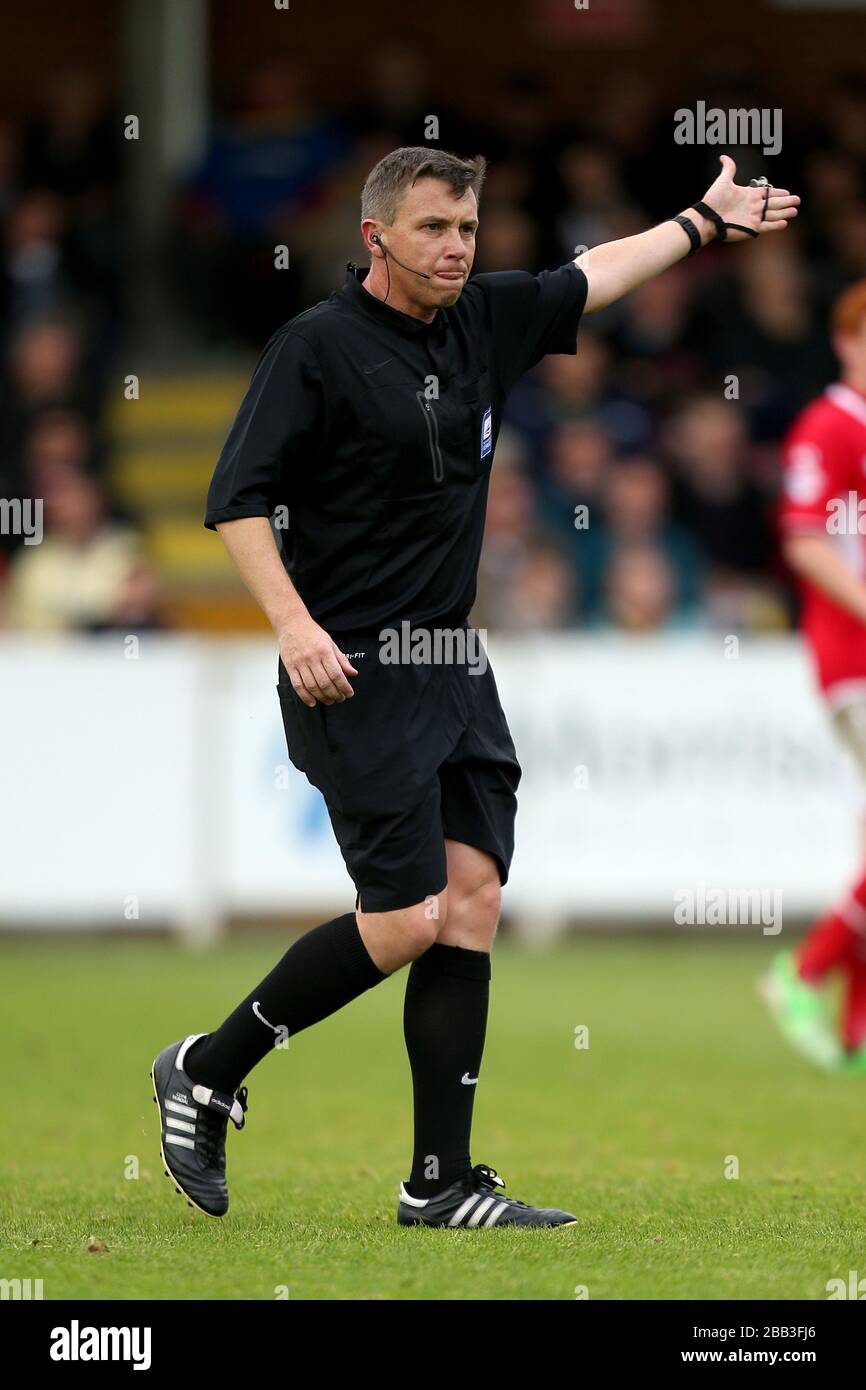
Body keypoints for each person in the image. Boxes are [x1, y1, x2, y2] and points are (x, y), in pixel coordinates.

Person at [151, 146, 798, 1227]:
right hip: (348, 668)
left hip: (449, 659)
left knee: (473, 903)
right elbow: (234, 501)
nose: (455, 247)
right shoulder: (313, 350)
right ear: (375, 239)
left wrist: (703, 218)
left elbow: (596, 272)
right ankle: (207, 1069)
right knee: (403, 919)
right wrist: (294, 624)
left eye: (465, 226)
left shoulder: (482, 319)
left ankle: (438, 1182)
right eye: (432, 229)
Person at [763, 279, 866, 1074]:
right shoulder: (827, 427)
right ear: (846, 340)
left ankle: (855, 1027)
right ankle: (801, 972)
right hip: (853, 660)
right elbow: (805, 542)